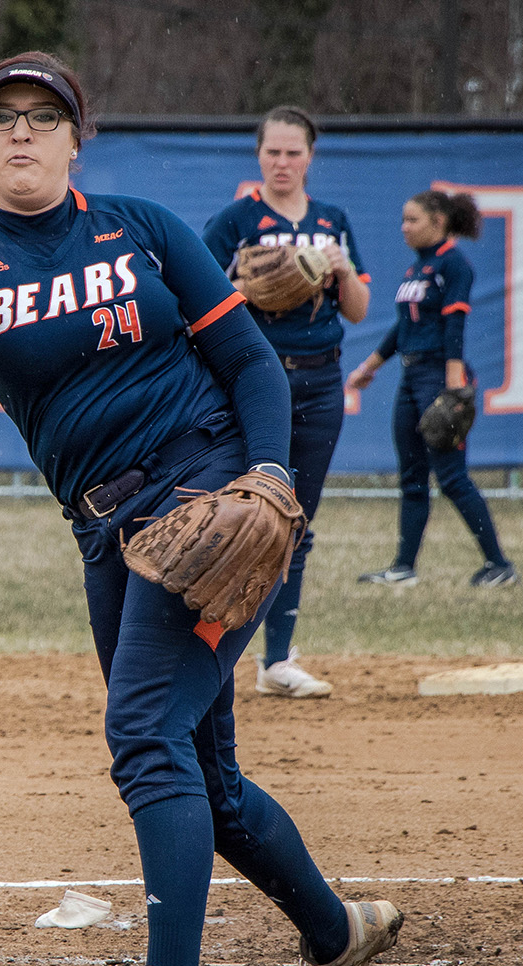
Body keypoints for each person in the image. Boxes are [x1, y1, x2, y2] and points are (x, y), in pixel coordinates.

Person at [0, 53, 402, 966]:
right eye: (2, 117)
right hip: (108, 534)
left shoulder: (139, 228)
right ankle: (335, 933)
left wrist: (270, 478)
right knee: (204, 778)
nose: (21, 131)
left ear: (74, 136)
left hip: (210, 500)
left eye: (42, 116)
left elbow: (247, 360)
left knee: (145, 733)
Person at [202, 105, 371, 700]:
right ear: (259, 155)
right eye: (272, 151)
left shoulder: (333, 221)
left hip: (322, 381)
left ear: (310, 156)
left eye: (293, 152)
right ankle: (208, 652)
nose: (282, 162)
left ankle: (277, 661)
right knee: (245, 517)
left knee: (298, 525)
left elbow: (357, 311)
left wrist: (342, 270)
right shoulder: (237, 219)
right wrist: (252, 287)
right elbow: (194, 299)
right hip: (256, 377)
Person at [348, 190, 518, 588]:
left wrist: (454, 384)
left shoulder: (453, 265)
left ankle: (499, 565)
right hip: (411, 378)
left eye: (413, 220)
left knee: (452, 477)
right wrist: (369, 367)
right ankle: (403, 568)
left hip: (439, 378)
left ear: (438, 221)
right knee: (412, 476)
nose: (404, 228)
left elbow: (454, 325)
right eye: (403, 220)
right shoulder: (418, 268)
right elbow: (404, 328)